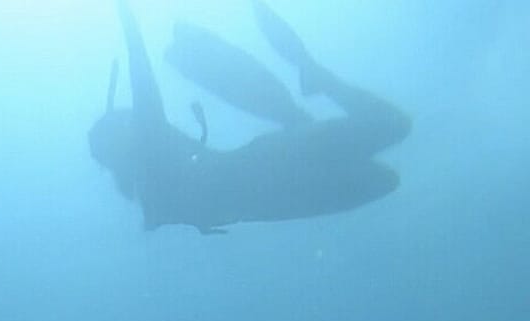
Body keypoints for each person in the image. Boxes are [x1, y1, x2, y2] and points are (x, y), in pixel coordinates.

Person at [89, 0, 411, 234]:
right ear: (119, 139)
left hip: (284, 200)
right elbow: (141, 73)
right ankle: (316, 79)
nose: (135, 119)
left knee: (387, 177)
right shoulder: (152, 145)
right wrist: (127, 18)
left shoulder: (153, 199)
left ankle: (305, 97)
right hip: (277, 161)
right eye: (126, 120)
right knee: (393, 129)